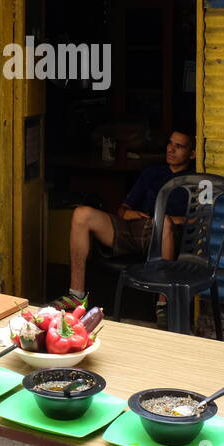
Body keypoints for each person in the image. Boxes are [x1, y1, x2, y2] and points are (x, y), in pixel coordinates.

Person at [58, 129, 196, 310]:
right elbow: (123, 209)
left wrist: (172, 220)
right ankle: (76, 294)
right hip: (136, 230)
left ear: (192, 153)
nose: (171, 150)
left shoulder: (196, 180)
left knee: (164, 223)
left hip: (165, 235)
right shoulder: (151, 172)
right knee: (81, 214)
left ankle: (163, 303)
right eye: (170, 144)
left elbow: (199, 220)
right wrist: (127, 213)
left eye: (179, 146)